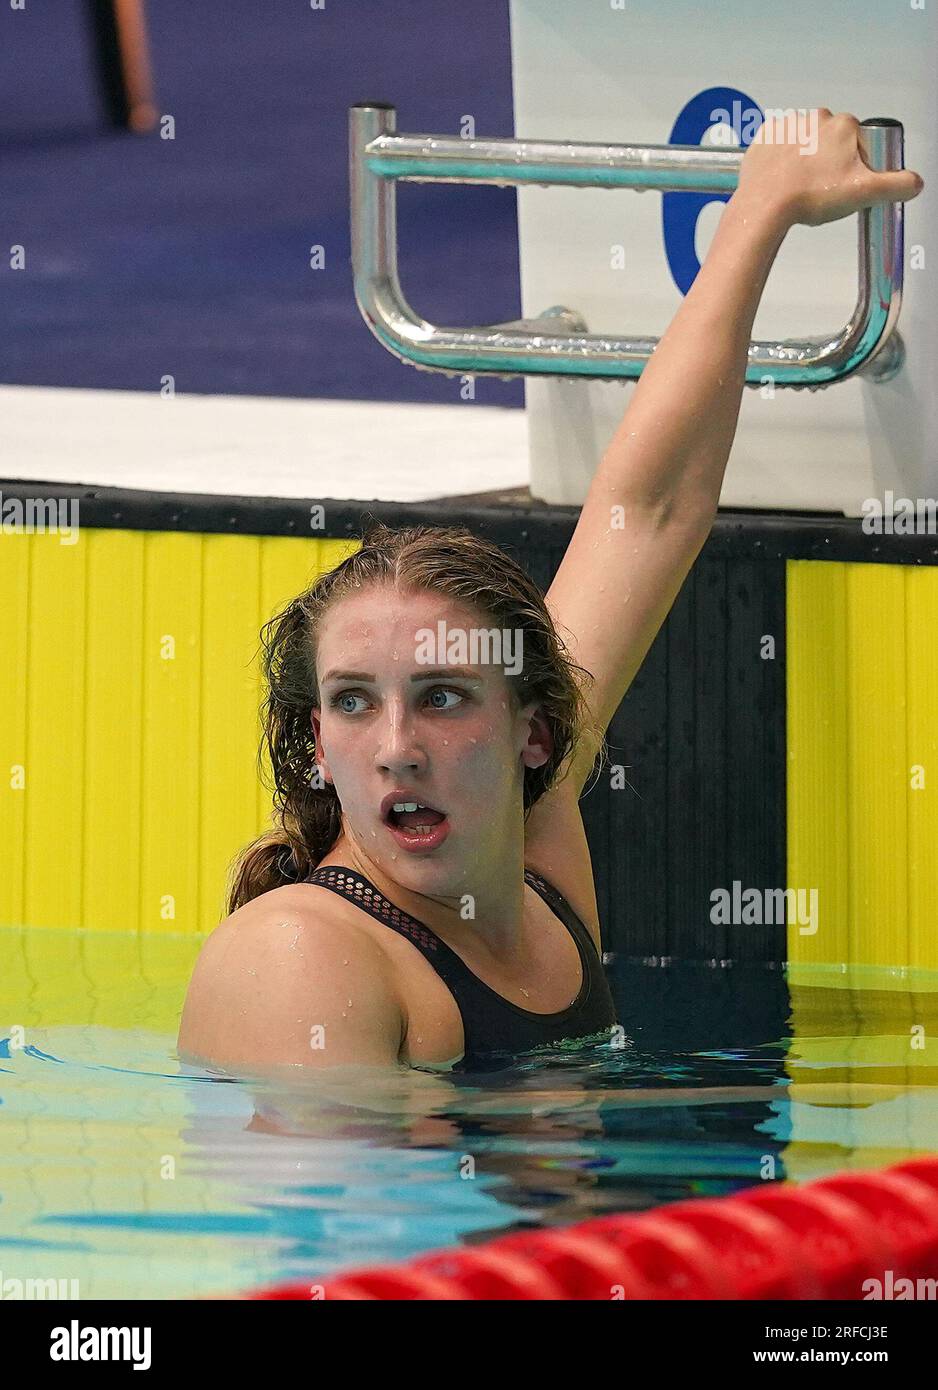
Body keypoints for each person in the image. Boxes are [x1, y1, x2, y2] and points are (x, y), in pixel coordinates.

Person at [178, 110, 923, 1074]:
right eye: (354, 703)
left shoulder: (534, 853)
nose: (398, 749)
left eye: (442, 698)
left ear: (535, 731)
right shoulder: (308, 959)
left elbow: (649, 512)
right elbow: (358, 1227)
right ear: (318, 743)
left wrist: (760, 207)